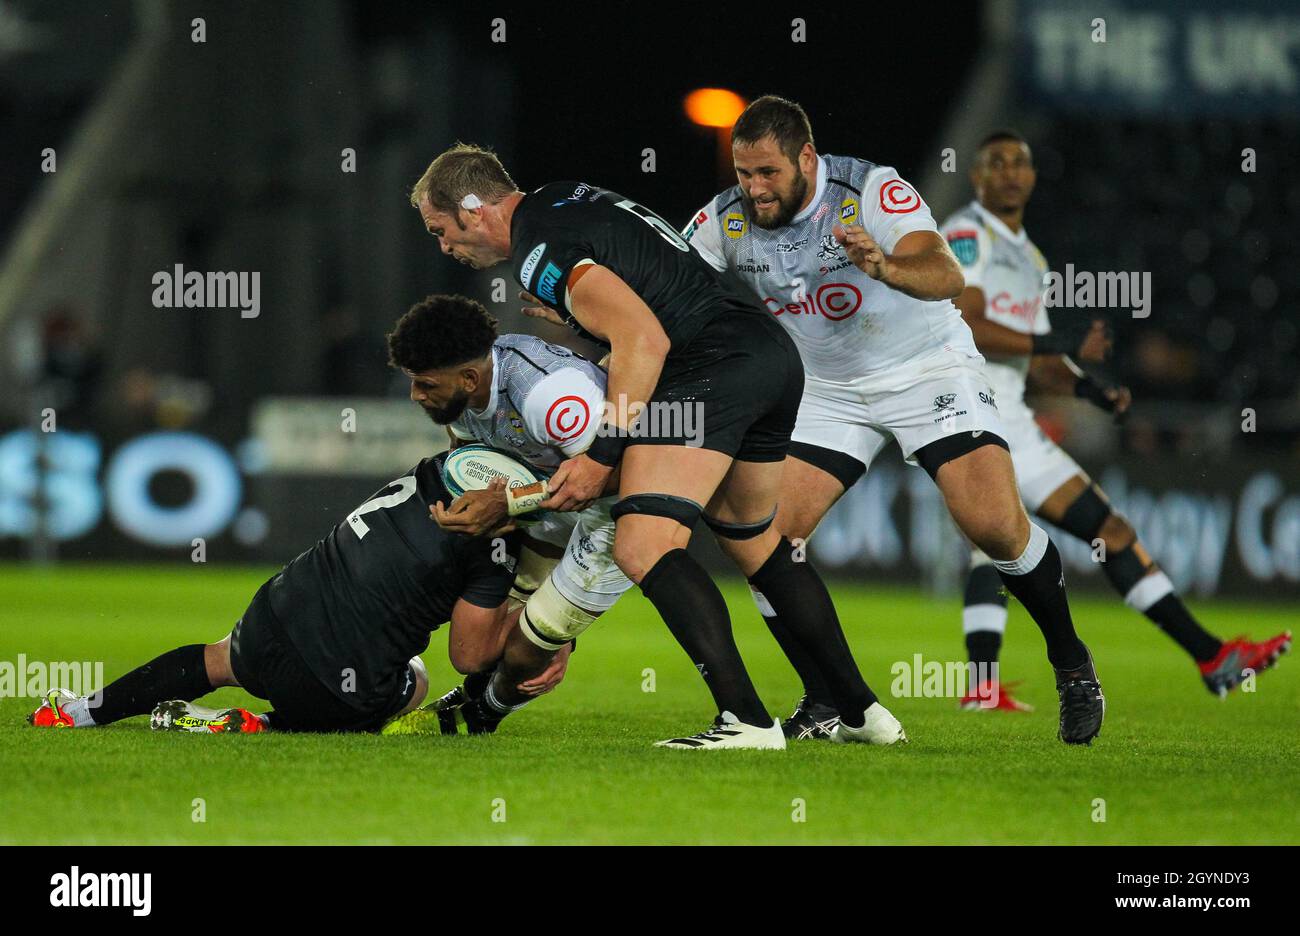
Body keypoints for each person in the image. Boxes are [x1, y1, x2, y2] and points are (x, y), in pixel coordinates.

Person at [410, 142, 905, 749]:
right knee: (755, 544)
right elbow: (651, 297)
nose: (445, 247)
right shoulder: (564, 195)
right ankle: (858, 710)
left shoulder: (538, 251)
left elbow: (644, 341)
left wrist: (602, 454)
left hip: (711, 370)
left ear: (471, 208)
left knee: (644, 542)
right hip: (767, 357)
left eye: (441, 230)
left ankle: (745, 721)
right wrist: (581, 321)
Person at [682, 95, 1103, 744]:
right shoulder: (724, 221)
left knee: (992, 526)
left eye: (768, 174)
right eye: (743, 174)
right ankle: (827, 700)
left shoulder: (870, 189)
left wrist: (884, 265)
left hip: (926, 366)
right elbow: (670, 288)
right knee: (762, 538)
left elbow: (946, 272)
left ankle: (1071, 661)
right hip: (826, 388)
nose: (754, 190)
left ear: (806, 158)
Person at [938, 130, 1291, 706]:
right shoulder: (965, 234)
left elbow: (1036, 359)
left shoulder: (1030, 258)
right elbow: (970, 324)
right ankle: (988, 683)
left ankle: (1211, 658)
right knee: (997, 540)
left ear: (1030, 177)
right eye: (995, 163)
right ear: (976, 176)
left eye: (1019, 163)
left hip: (1013, 415)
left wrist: (1086, 388)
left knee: (1105, 534)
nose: (1009, 172)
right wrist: (1056, 340)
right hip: (972, 406)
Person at [28, 454, 559, 734]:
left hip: (267, 625)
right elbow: (468, 656)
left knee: (216, 660)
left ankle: (78, 713)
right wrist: (540, 625)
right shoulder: (493, 546)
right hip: (334, 688)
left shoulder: (422, 475)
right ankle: (258, 726)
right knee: (415, 676)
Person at [382, 293, 629, 735]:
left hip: (615, 516)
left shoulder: (547, 394)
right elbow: (473, 457)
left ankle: (482, 714)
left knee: (530, 648)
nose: (415, 394)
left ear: (469, 377)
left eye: (425, 384)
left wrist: (509, 504)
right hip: (549, 514)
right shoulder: (460, 392)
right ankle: (484, 683)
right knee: (472, 651)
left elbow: (621, 476)